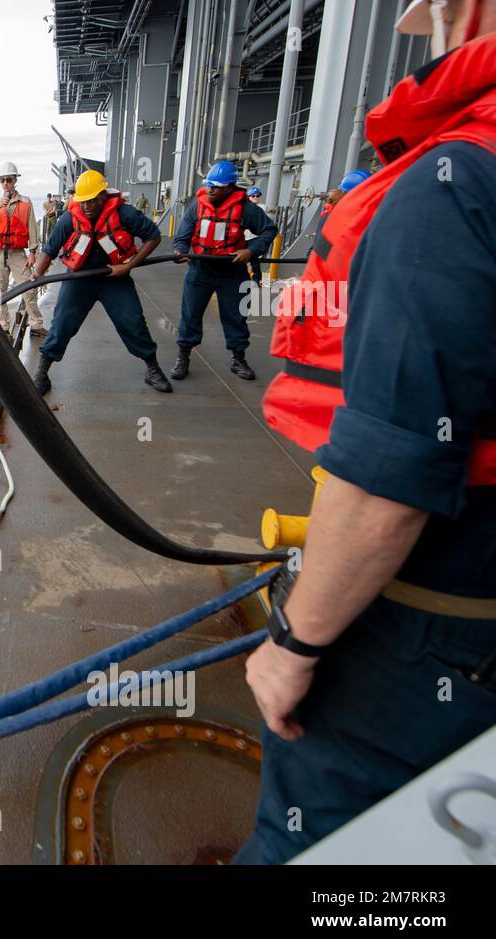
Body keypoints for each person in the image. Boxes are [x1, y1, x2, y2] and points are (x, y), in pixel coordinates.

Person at [239, 3, 496, 864]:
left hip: (438, 619)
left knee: (316, 835)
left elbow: (389, 478)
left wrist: (295, 641)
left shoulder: (453, 184)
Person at [29, 169, 171, 395]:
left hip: (114, 278)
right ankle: (42, 373)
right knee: (61, 325)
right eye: (83, 201)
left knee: (133, 322)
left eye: (92, 200)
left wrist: (129, 266)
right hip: (78, 279)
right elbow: (49, 249)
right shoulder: (69, 218)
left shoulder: (125, 213)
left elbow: (153, 236)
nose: (87, 206)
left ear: (104, 195)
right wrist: (37, 273)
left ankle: (152, 369)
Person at [171, 160, 278, 382]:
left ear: (229, 187)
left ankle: (238, 358)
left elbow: (269, 230)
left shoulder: (246, 208)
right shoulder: (198, 206)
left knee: (235, 316)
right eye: (209, 185)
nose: (210, 189)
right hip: (200, 270)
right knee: (190, 314)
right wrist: (180, 250)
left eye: (216, 186)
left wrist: (251, 251)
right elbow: (182, 236)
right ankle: (183, 357)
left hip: (232, 271)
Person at [0, 162, 45, 337]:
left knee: (29, 288)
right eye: (2, 180)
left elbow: (32, 228)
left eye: (9, 179)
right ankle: (3, 328)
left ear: (15, 180)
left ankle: (36, 325)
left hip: (18, 253)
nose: (6, 183)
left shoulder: (26, 202)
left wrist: (33, 252)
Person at [245, 186, 266, 286]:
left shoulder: (262, 208)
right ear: (249, 197)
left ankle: (257, 279)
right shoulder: (246, 208)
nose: (255, 197)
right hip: (246, 237)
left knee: (254, 259)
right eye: (253, 196)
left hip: (256, 238)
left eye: (257, 196)